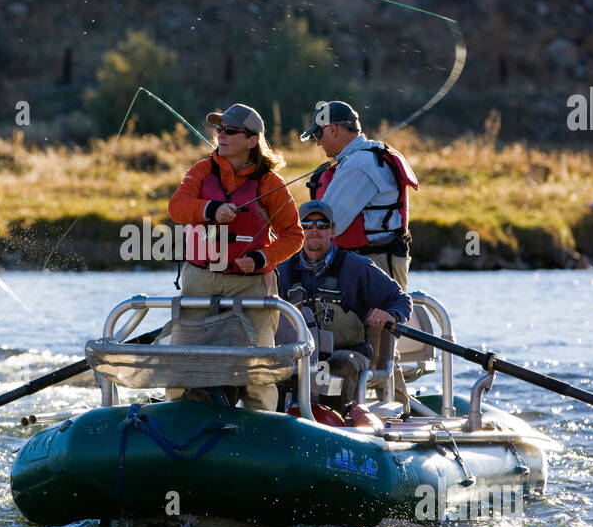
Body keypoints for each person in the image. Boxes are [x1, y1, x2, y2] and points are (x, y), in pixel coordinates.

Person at [167, 103, 303, 411]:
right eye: (219, 130)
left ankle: (260, 421)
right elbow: (177, 207)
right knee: (182, 358)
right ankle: (176, 413)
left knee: (256, 367)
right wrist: (210, 210)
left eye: (230, 130)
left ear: (252, 140)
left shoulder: (271, 184)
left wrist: (260, 258)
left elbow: (294, 236)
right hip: (200, 279)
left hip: (251, 284)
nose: (221, 135)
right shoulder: (201, 171)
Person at [300, 99, 418, 408]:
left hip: (375, 261)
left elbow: (330, 220)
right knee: (368, 341)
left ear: (334, 129)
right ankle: (366, 406)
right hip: (376, 258)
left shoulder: (359, 165)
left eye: (318, 135)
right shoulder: (368, 156)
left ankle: (396, 411)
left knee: (380, 344)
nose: (318, 143)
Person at [276, 199, 413, 416]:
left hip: (349, 355)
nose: (314, 230)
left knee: (340, 363)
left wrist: (390, 314)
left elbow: (400, 299)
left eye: (321, 225)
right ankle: (274, 420)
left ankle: (336, 419)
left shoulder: (357, 267)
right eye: (306, 225)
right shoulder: (282, 270)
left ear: (333, 230)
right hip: (297, 357)